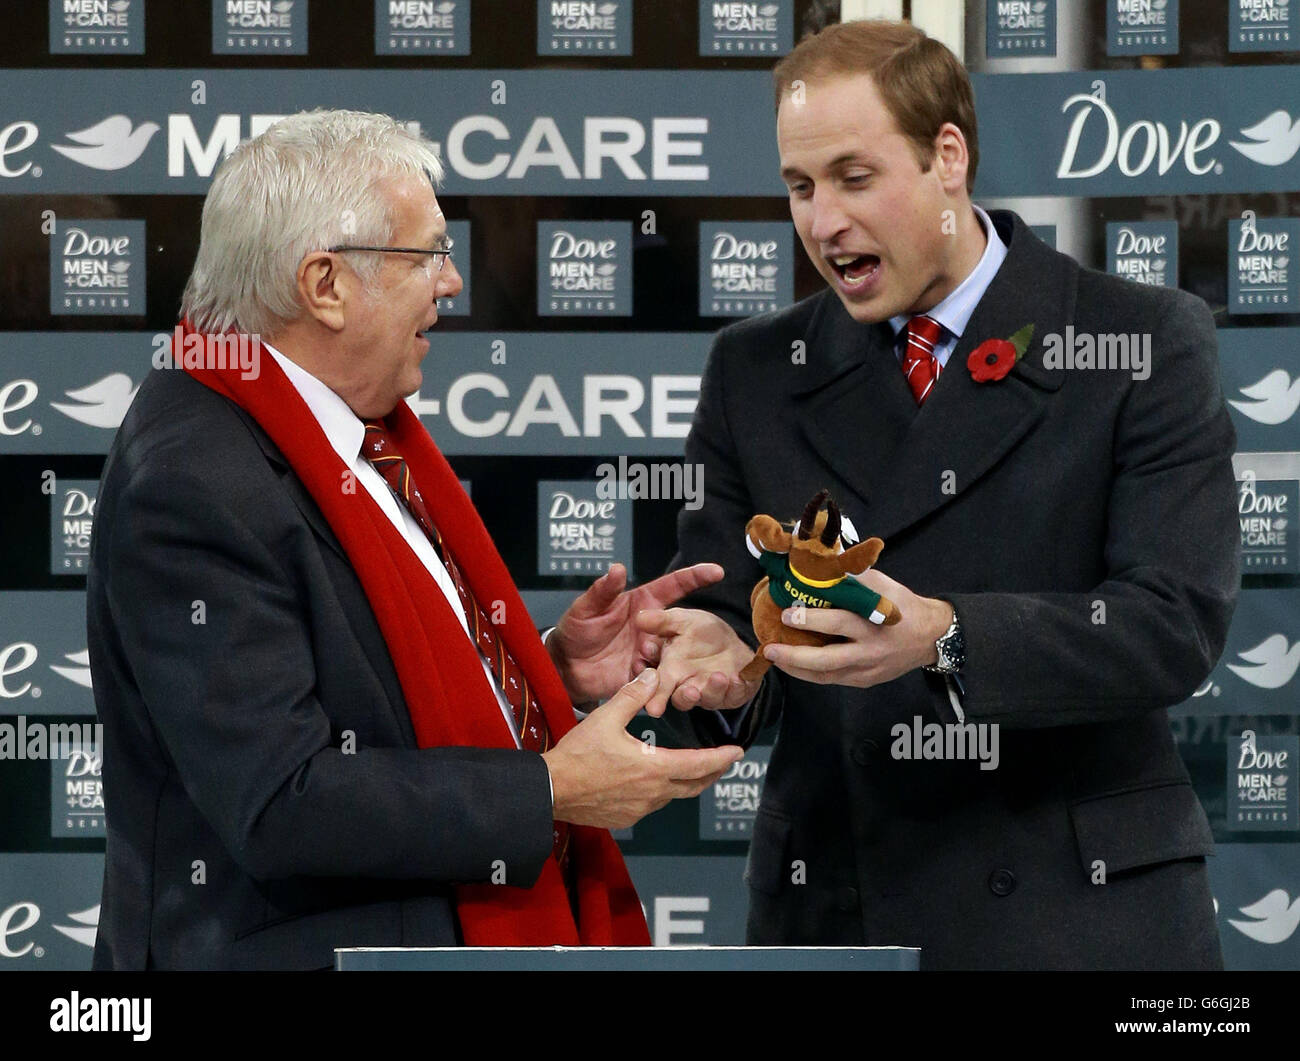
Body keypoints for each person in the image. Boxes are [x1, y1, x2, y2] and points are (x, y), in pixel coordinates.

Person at [638, 19, 1239, 970]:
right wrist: (714, 668)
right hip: (841, 917)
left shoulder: (1142, 341)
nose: (823, 220)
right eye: (800, 187)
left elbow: (1174, 625)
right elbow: (724, 619)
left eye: (853, 177)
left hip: (1079, 925)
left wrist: (946, 635)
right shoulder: (755, 371)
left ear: (946, 156)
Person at [86, 109, 744, 971]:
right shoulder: (191, 477)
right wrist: (553, 788)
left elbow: (365, 687)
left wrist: (544, 673)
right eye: (427, 253)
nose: (453, 282)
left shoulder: (345, 435)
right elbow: (281, 798)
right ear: (324, 284)